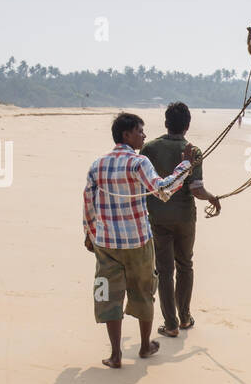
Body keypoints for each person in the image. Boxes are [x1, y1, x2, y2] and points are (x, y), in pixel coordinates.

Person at [83, 112, 193, 368]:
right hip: (138, 241)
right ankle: (145, 346)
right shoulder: (138, 162)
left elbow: (88, 203)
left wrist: (89, 234)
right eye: (140, 131)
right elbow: (162, 190)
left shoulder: (97, 164)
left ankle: (115, 354)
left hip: (106, 242)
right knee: (144, 292)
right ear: (126, 134)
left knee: (109, 295)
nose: (144, 135)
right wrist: (185, 166)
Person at [140, 101, 221, 338]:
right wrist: (212, 198)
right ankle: (185, 317)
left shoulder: (149, 149)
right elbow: (197, 190)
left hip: (158, 217)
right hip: (185, 217)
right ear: (188, 125)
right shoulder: (193, 151)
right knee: (185, 265)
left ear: (166, 123)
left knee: (164, 271)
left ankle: (171, 323)